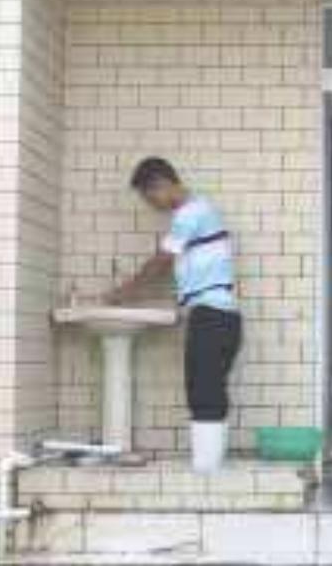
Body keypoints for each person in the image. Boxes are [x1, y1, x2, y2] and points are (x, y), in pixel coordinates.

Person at [108, 157, 241, 473]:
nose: (151, 204)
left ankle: (206, 470)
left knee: (203, 392)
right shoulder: (199, 211)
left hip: (211, 316)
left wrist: (124, 292)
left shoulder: (190, 213)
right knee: (209, 390)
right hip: (221, 317)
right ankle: (210, 465)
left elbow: (162, 261)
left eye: (148, 196)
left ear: (161, 184)